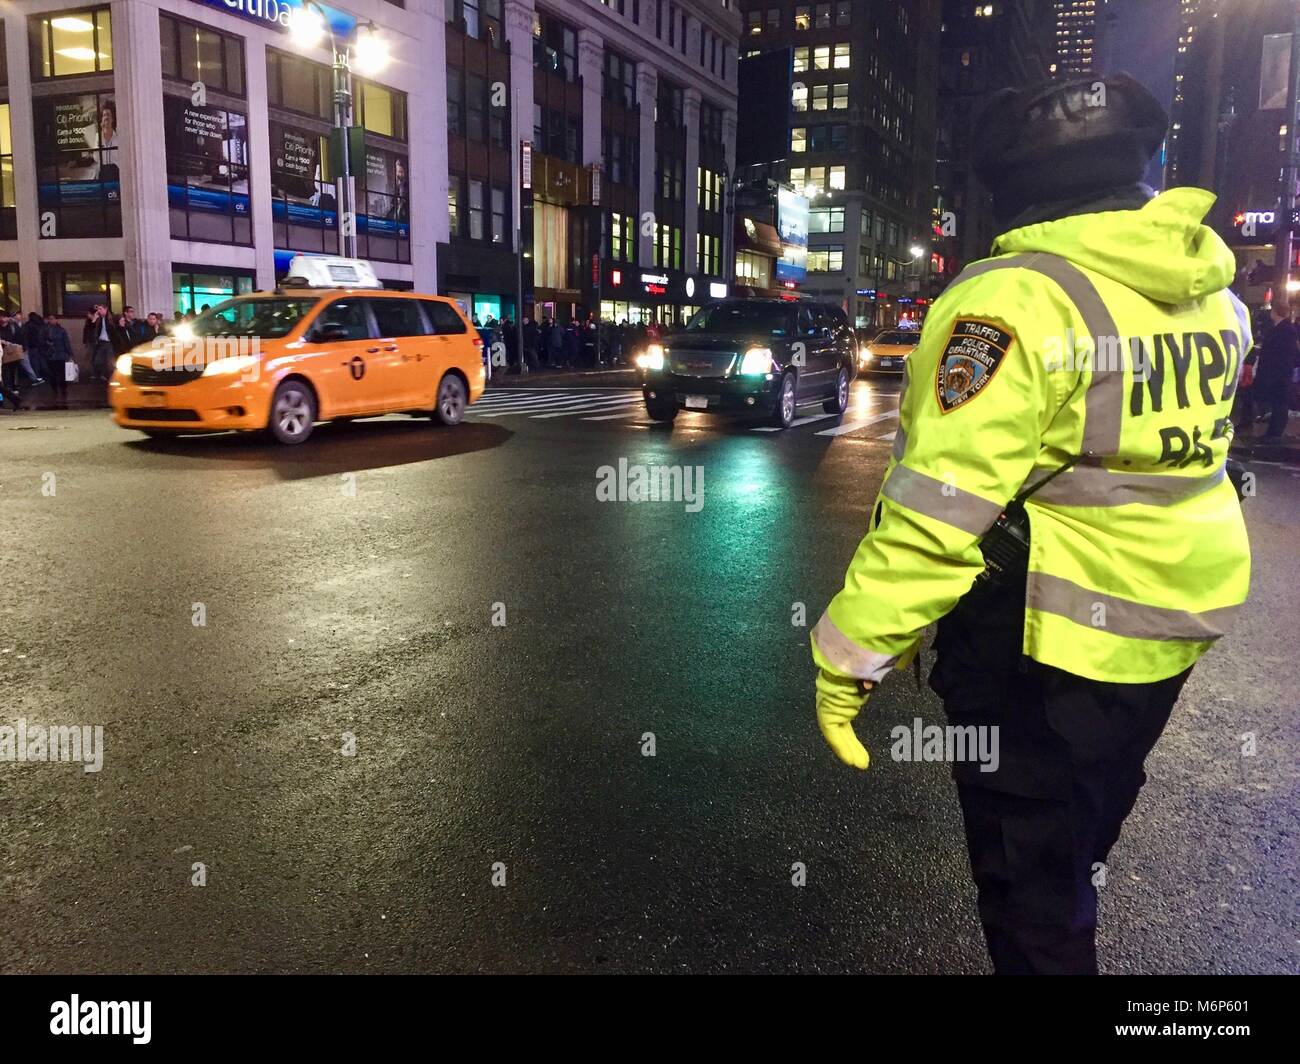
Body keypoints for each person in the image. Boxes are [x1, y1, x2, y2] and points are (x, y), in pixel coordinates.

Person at [809, 75, 1251, 975]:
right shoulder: (1213, 297)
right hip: (1168, 630)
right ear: (1143, 167)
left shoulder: (1009, 302)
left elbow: (939, 507)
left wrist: (848, 657)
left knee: (1031, 892)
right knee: (1078, 842)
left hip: (1045, 644)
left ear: (1007, 188)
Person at [1253, 303, 1298, 443]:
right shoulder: (1281, 328)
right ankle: (1273, 432)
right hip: (1277, 373)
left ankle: (1275, 434)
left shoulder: (1286, 330)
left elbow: (1285, 354)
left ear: (1276, 312)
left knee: (1280, 404)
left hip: (1279, 374)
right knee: (1277, 403)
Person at [40, 313, 74, 407]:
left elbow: (66, 342)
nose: (51, 321)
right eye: (49, 319)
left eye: (53, 319)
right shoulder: (45, 330)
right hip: (51, 355)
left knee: (62, 373)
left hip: (60, 355)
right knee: (52, 374)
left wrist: (69, 354)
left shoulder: (61, 330)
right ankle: (55, 389)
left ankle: (63, 389)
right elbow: (41, 342)